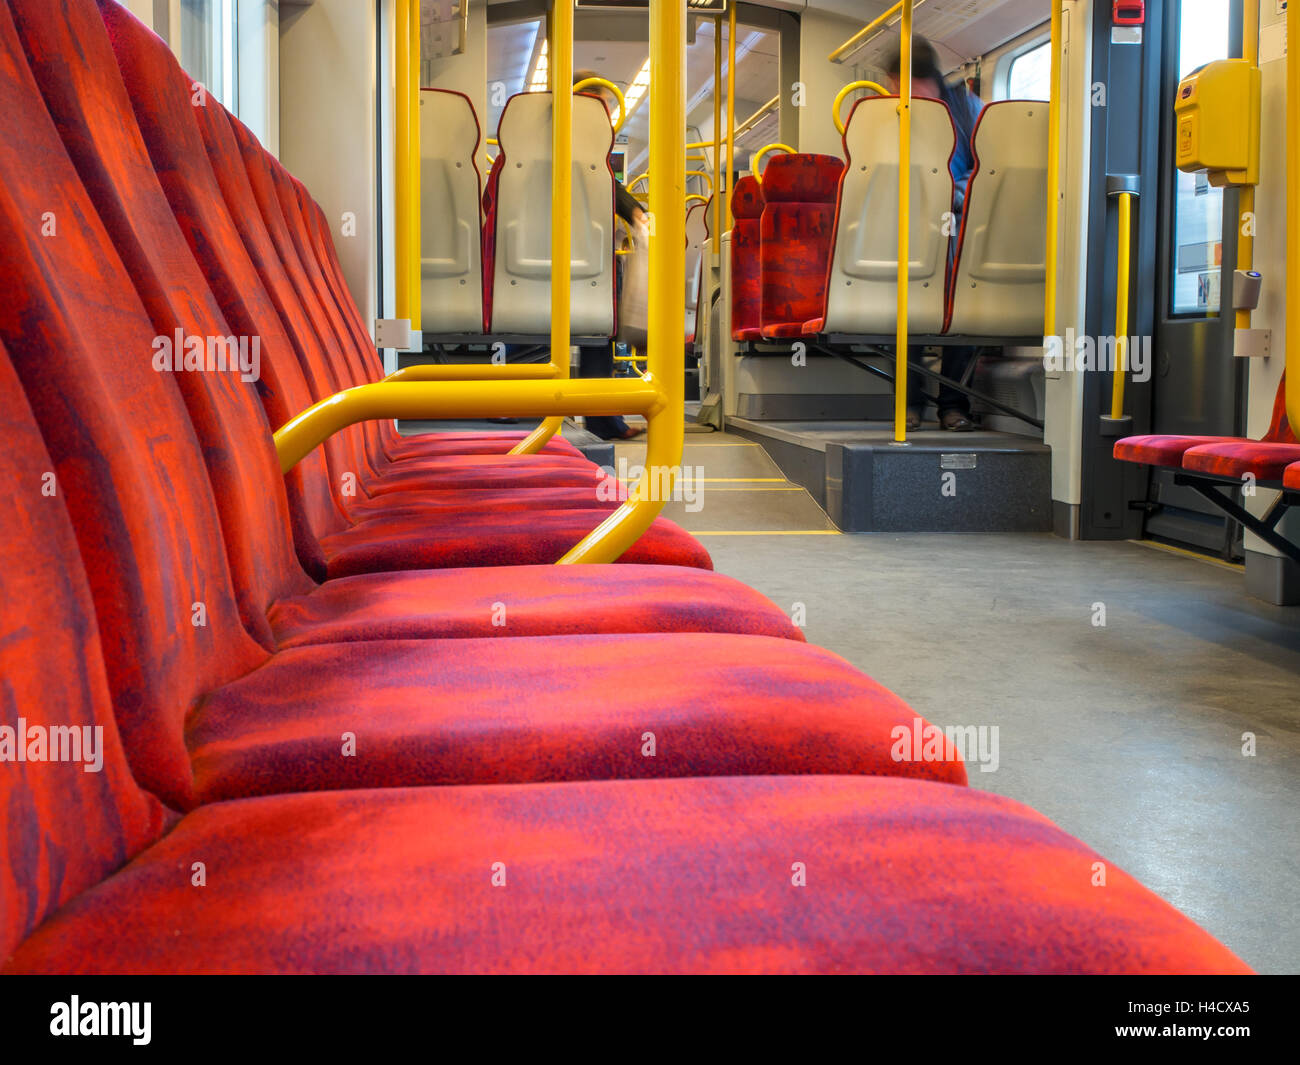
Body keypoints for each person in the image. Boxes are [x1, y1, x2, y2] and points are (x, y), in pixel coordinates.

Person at [885, 38, 983, 432]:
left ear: (924, 80)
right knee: (901, 315)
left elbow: (987, 167)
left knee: (966, 316)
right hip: (907, 224)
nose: (896, 92)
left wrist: (956, 190)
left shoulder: (967, 110)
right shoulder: (890, 115)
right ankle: (908, 405)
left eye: (901, 83)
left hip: (958, 225)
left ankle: (953, 406)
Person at [573, 70, 646, 440]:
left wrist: (634, 212)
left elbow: (605, 181)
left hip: (576, 256)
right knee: (599, 333)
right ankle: (514, 410)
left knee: (601, 335)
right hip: (574, 256)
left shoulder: (589, 149)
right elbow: (604, 182)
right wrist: (633, 211)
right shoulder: (568, 142)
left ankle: (605, 421)